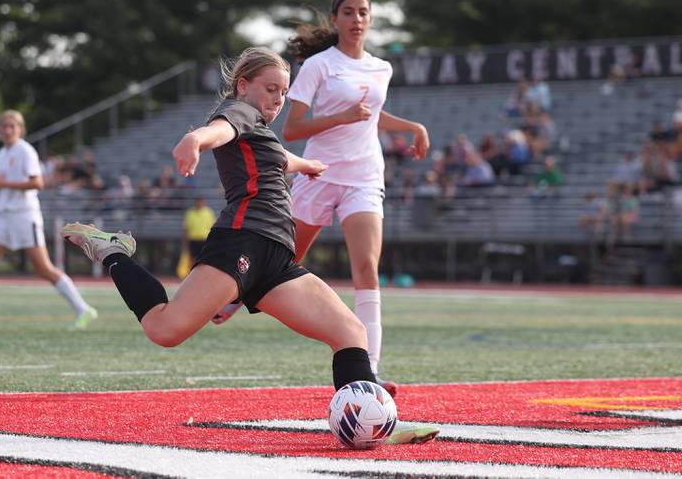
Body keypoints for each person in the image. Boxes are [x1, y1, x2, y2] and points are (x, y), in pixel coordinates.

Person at [60, 47, 438, 445]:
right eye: (270, 89)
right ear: (243, 86)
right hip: (243, 241)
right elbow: (220, 128)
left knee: (350, 331)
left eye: (283, 92)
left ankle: (375, 427)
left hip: (275, 258)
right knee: (164, 328)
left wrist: (307, 165)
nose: (278, 99)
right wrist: (194, 138)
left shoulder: (259, 129)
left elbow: (277, 158)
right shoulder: (239, 111)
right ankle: (112, 251)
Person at [214, 0, 429, 398]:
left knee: (366, 266)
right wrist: (341, 117)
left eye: (363, 12)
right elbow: (292, 130)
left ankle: (370, 370)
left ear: (370, 18)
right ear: (335, 20)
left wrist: (412, 127)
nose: (356, 19)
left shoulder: (380, 68)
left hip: (365, 176)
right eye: (348, 12)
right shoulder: (318, 66)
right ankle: (238, 294)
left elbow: (371, 117)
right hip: (320, 174)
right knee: (283, 257)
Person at [0, 110, 98, 331]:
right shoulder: (1, 153)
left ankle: (83, 309)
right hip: (6, 216)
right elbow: (6, 183)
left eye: (12, 126)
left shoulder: (25, 151)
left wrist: (3, 184)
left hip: (24, 215)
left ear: (20, 129)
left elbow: (37, 183)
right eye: (4, 126)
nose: (8, 130)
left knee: (43, 269)